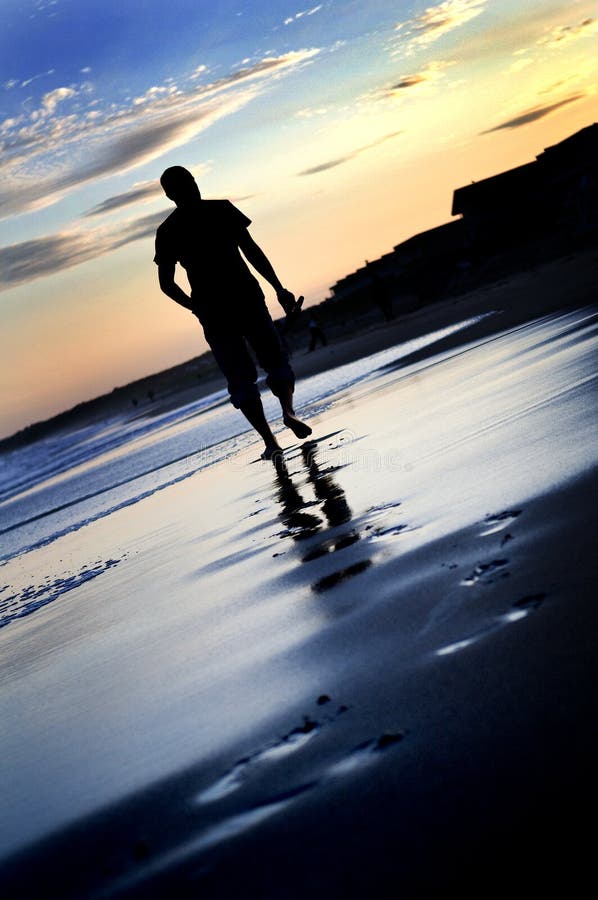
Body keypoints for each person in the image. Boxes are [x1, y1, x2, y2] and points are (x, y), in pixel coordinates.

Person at [154, 166, 311, 459]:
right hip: (245, 298)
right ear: (174, 193)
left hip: (215, 309)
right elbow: (251, 251)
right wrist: (278, 287)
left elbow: (166, 284)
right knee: (274, 361)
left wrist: (194, 307)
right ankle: (288, 413)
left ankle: (271, 441)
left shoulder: (169, 230)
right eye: (188, 183)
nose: (192, 187)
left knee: (241, 378)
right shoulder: (218, 210)